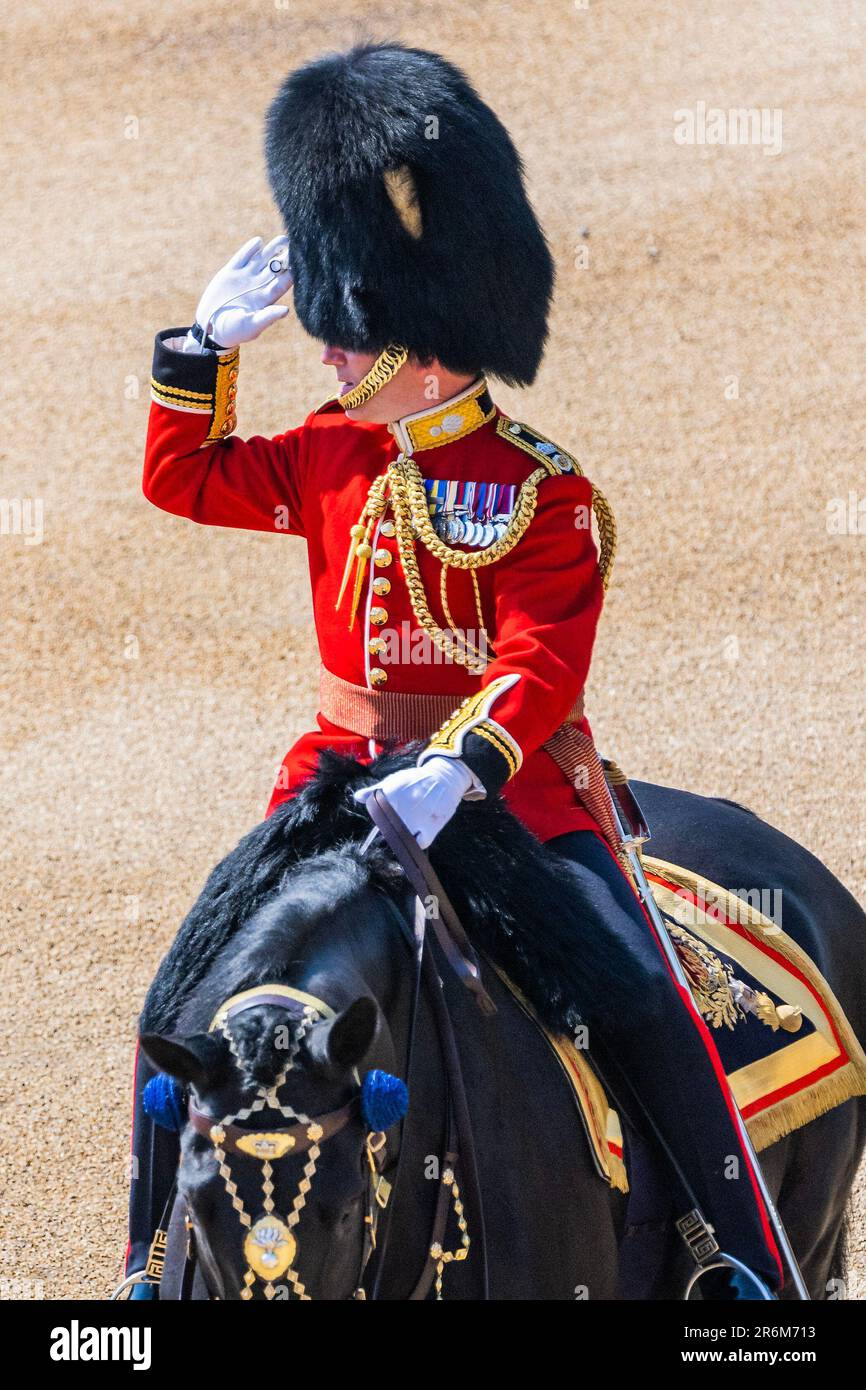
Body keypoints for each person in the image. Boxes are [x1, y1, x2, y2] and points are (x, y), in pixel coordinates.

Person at [126, 41, 783, 1298]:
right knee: (185, 999)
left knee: (643, 1001)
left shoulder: (542, 488)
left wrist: (455, 767)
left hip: (504, 795)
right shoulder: (329, 454)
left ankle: (733, 1263)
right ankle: (149, 1269)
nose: (319, 353)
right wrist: (199, 349)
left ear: (413, 338)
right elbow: (183, 478)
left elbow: (539, 661)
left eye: (337, 335)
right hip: (329, 781)